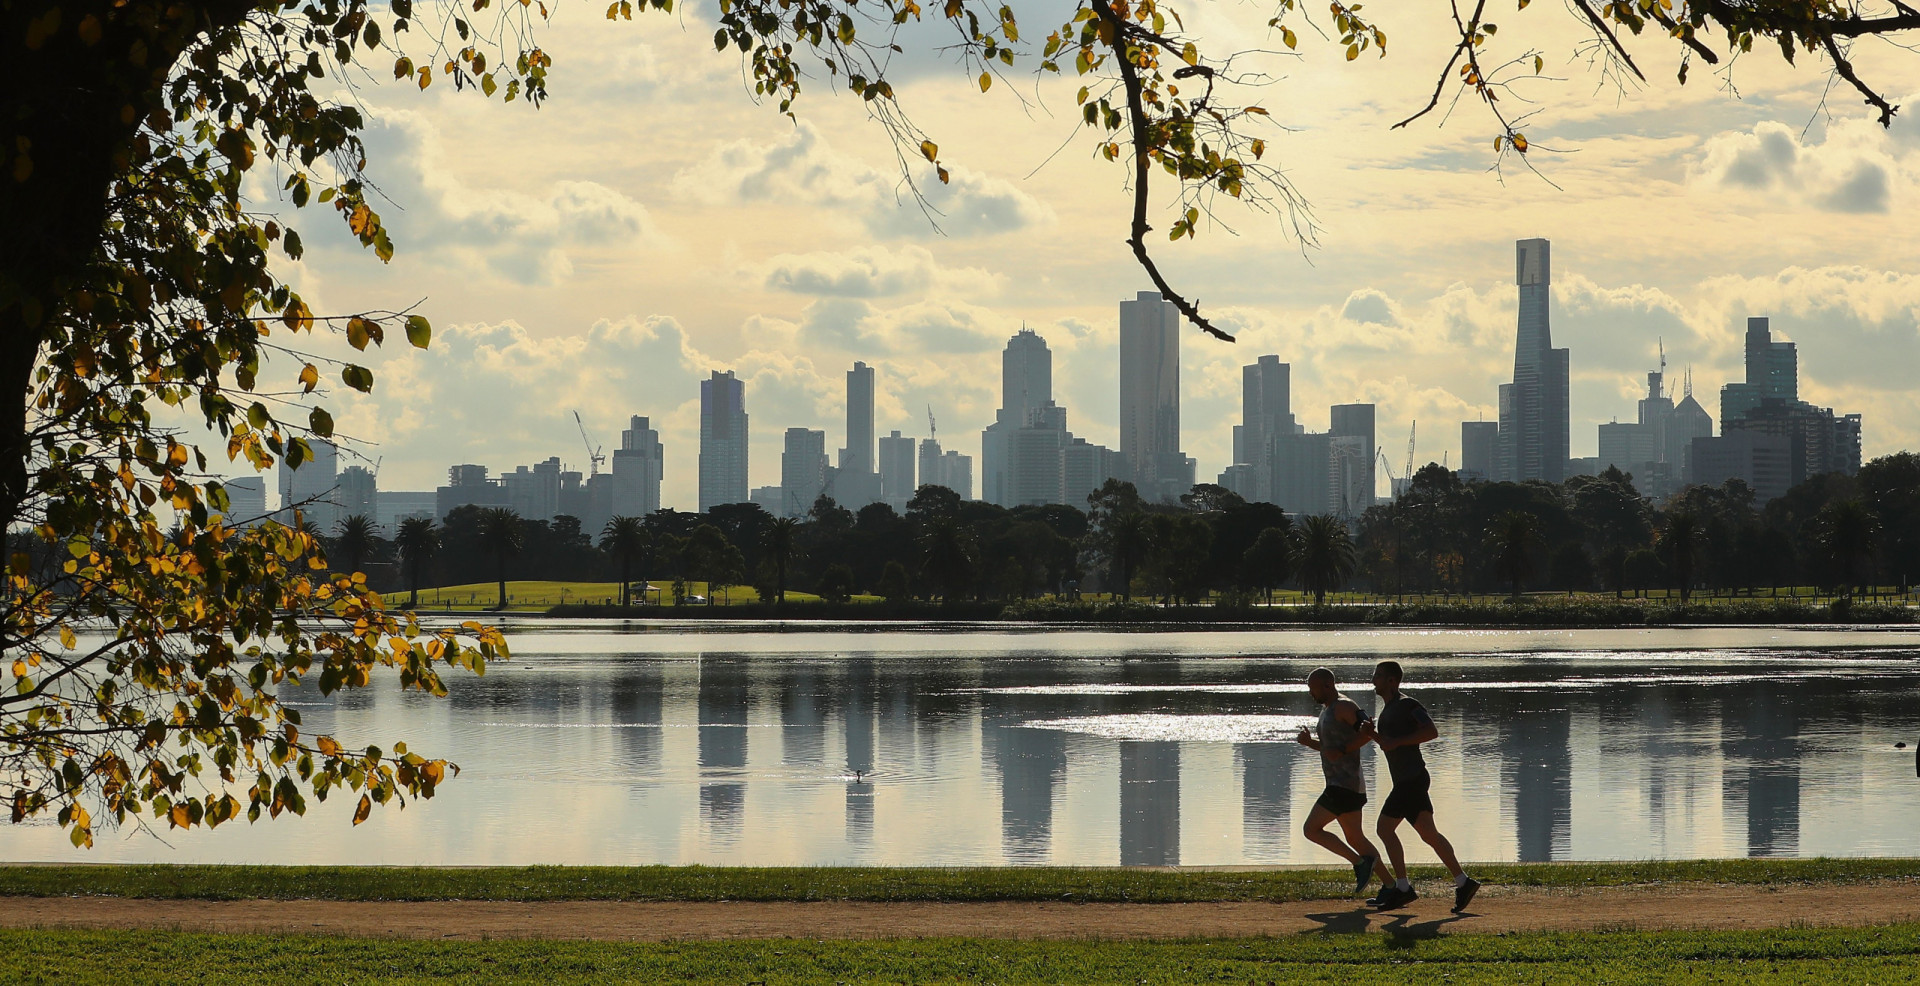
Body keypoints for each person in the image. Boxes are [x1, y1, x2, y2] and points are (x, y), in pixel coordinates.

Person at [1359, 659, 1479, 913]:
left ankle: (1403, 889)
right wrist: (1373, 735)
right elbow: (1390, 745)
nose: (1373, 680)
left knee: (1384, 828)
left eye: (1378, 676)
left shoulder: (1408, 704)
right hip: (1408, 779)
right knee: (1428, 833)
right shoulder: (1390, 709)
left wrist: (1398, 741)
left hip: (1411, 780)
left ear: (1392, 680)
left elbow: (1431, 731)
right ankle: (1463, 882)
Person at [1296, 667, 1393, 895]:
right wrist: (1310, 743)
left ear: (1328, 685)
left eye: (1313, 688)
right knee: (1356, 838)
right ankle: (1392, 886)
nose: (1311, 693)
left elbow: (1369, 731)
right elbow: (1330, 750)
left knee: (1311, 829)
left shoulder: (1344, 706)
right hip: (1340, 785)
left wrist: (1343, 749)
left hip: (1345, 785)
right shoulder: (1327, 710)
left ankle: (1360, 864)